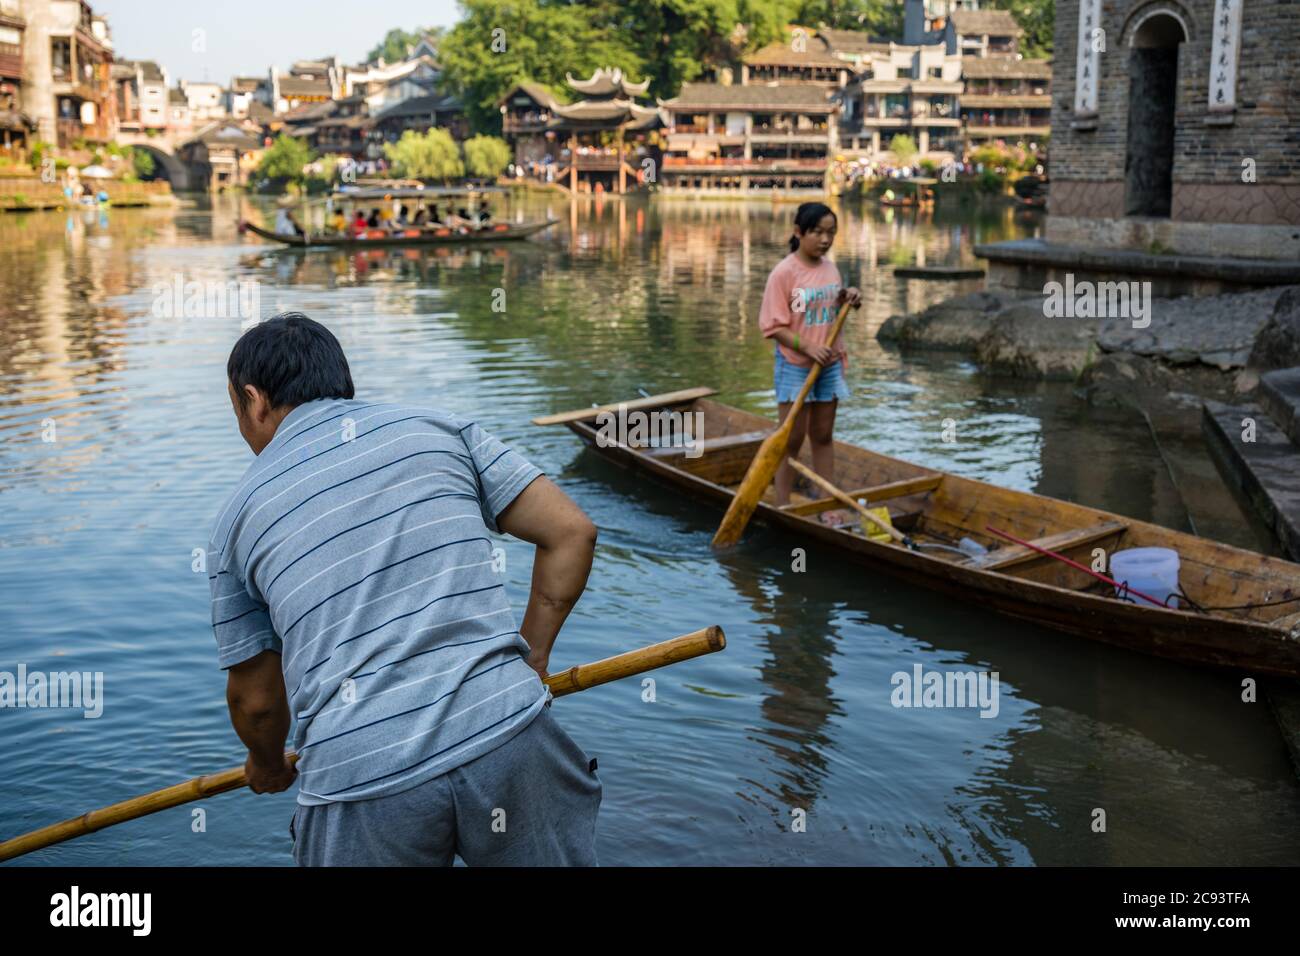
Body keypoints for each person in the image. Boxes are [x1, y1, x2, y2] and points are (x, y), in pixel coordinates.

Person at [209, 313, 602, 866]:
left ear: (252, 400)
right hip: (508, 732)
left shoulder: (235, 521)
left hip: (361, 775)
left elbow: (254, 700)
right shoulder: (439, 429)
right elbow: (571, 533)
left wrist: (267, 762)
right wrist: (528, 659)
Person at [758, 202, 862, 520]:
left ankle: (827, 505)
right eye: (817, 232)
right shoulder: (784, 273)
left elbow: (826, 304)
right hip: (794, 365)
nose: (825, 239)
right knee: (791, 438)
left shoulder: (829, 268)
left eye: (831, 232)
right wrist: (807, 348)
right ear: (799, 232)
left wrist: (847, 297)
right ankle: (783, 503)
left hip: (828, 364)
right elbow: (773, 326)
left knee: (822, 435)